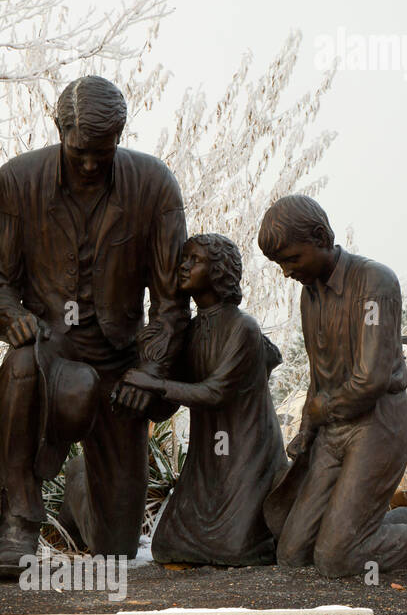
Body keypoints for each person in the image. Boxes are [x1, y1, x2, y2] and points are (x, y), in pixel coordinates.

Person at [0, 75, 189, 578]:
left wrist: (150, 370)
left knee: (115, 551)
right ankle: (19, 520)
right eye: (80, 152)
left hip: (122, 364)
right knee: (20, 366)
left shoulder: (154, 184)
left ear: (120, 135)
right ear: (59, 130)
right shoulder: (17, 181)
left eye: (104, 150)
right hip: (50, 351)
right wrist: (16, 320)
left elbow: (170, 303)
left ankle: (81, 485)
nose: (92, 163)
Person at [256, 194, 407, 575]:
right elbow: (319, 372)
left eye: (292, 259)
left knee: (336, 558)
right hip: (332, 431)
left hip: (376, 425)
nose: (287, 272)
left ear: (322, 237)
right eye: (280, 264)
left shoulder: (375, 283)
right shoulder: (310, 296)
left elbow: (370, 378)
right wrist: (308, 427)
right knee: (293, 554)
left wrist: (323, 408)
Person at [115, 234, 287, 566]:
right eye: (183, 259)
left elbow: (215, 392)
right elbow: (169, 403)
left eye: (194, 260)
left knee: (235, 549)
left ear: (220, 270)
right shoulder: (191, 331)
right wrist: (144, 367)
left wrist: (153, 382)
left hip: (246, 455)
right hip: (207, 460)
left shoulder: (243, 328)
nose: (184, 266)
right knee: (167, 545)